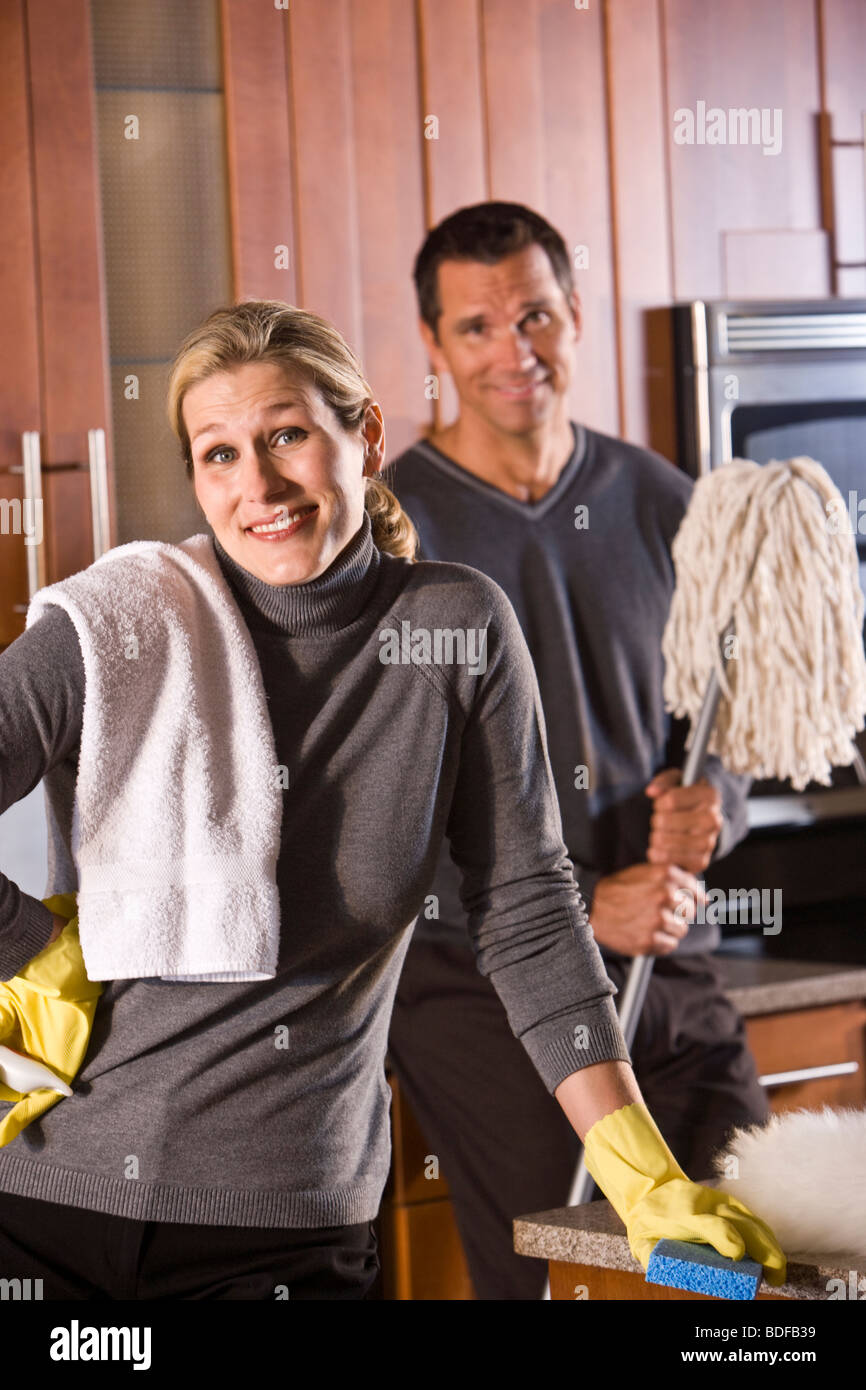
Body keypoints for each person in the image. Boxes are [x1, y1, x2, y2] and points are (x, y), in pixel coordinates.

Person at [0, 300, 784, 1301]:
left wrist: (642, 1178)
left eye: (286, 435)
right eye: (220, 455)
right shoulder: (119, 629)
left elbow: (528, 912)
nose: (260, 486)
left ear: (364, 435)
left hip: (280, 1229)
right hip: (44, 1208)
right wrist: (30, 947)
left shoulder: (454, 631)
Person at [386, 202, 771, 1300]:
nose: (515, 352)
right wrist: (578, 903)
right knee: (573, 1271)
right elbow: (369, 819)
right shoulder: (392, 540)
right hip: (476, 990)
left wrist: (716, 806)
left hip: (665, 957)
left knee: (744, 1262)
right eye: (476, 328)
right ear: (432, 345)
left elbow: (720, 715)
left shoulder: (658, 500)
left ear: (574, 315)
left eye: (536, 315)